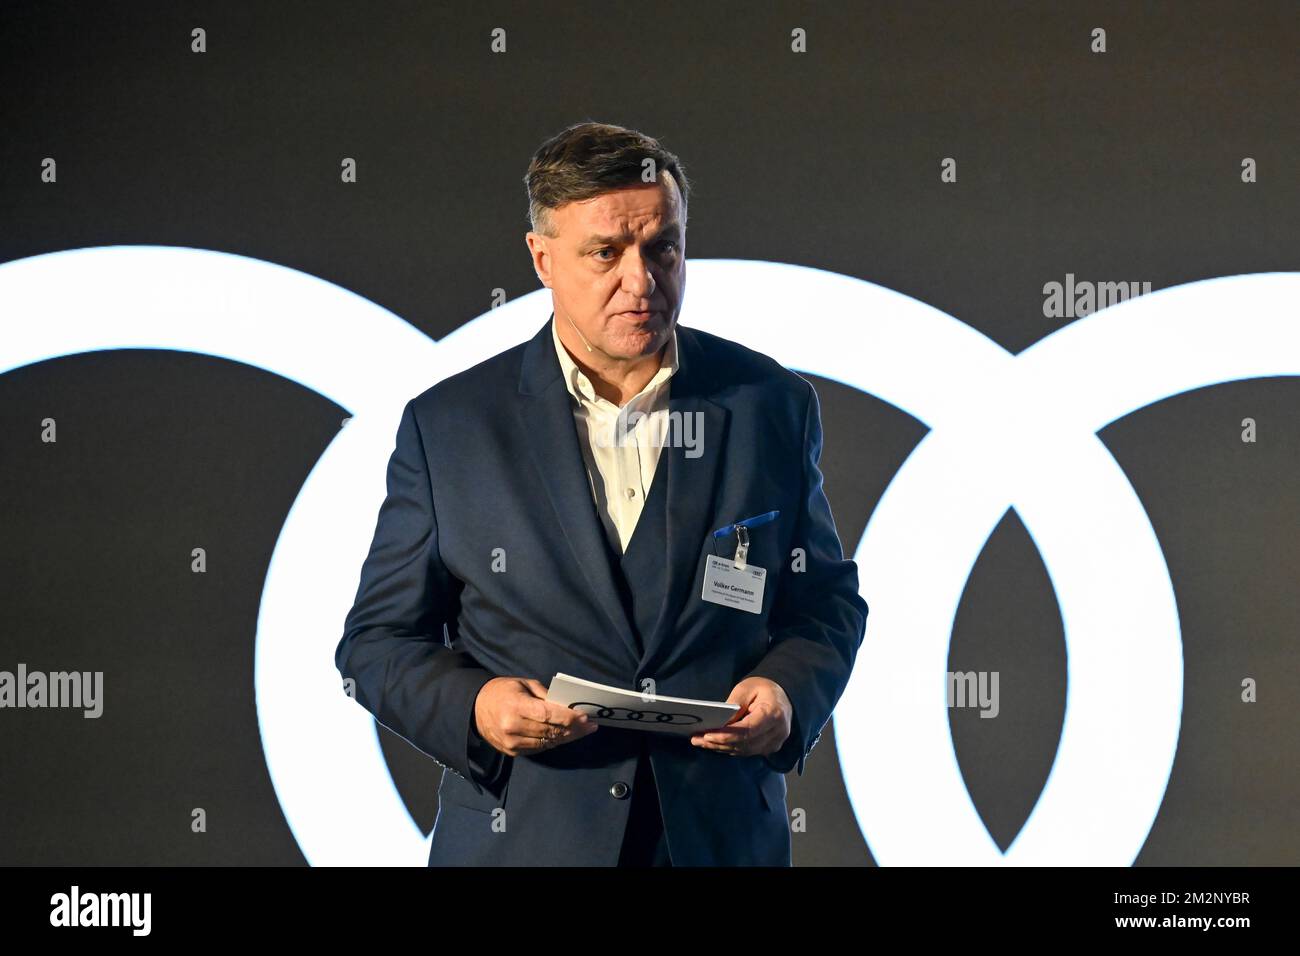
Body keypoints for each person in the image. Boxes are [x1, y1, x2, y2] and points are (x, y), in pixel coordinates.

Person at [336, 121, 868, 866]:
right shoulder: (450, 427)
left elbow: (824, 606)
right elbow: (376, 643)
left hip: (717, 843)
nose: (641, 280)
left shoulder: (770, 404)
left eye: (664, 247)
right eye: (606, 253)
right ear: (542, 258)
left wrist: (786, 695)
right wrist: (477, 708)